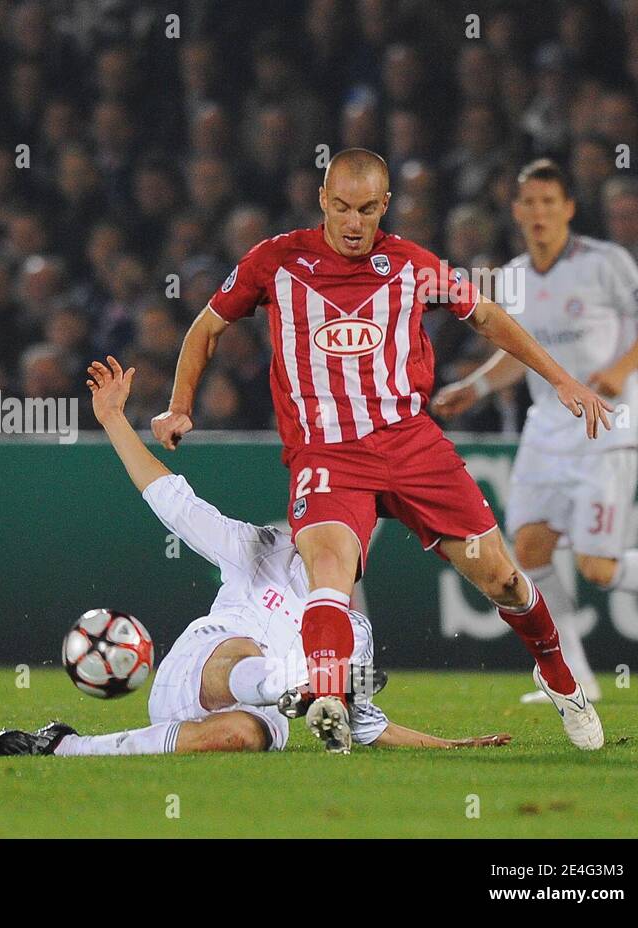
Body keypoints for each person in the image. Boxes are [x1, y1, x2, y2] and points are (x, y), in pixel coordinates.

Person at [151, 148, 610, 752]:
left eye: (366, 210)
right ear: (322, 199)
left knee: (502, 580)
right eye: (340, 206)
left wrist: (560, 378)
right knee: (329, 571)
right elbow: (207, 327)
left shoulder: (411, 266)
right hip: (328, 456)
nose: (352, 222)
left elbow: (488, 317)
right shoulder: (276, 261)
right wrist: (180, 403)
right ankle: (328, 698)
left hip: (412, 447)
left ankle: (558, 677)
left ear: (384, 207)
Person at [0, 358, 512, 757]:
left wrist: (454, 750)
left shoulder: (354, 626)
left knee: (249, 735)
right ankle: (295, 684)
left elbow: (370, 725)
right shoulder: (255, 548)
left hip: (250, 714)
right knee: (243, 645)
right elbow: (173, 501)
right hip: (197, 672)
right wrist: (114, 421)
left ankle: (64, 747)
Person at [434, 158, 638, 704]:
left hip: (604, 428)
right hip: (546, 430)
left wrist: (618, 370)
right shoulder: (513, 276)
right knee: (530, 546)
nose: (539, 212)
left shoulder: (604, 263)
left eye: (550, 202)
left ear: (567, 208)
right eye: (529, 203)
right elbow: (519, 357)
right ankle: (575, 679)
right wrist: (476, 386)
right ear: (517, 211)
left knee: (598, 568)